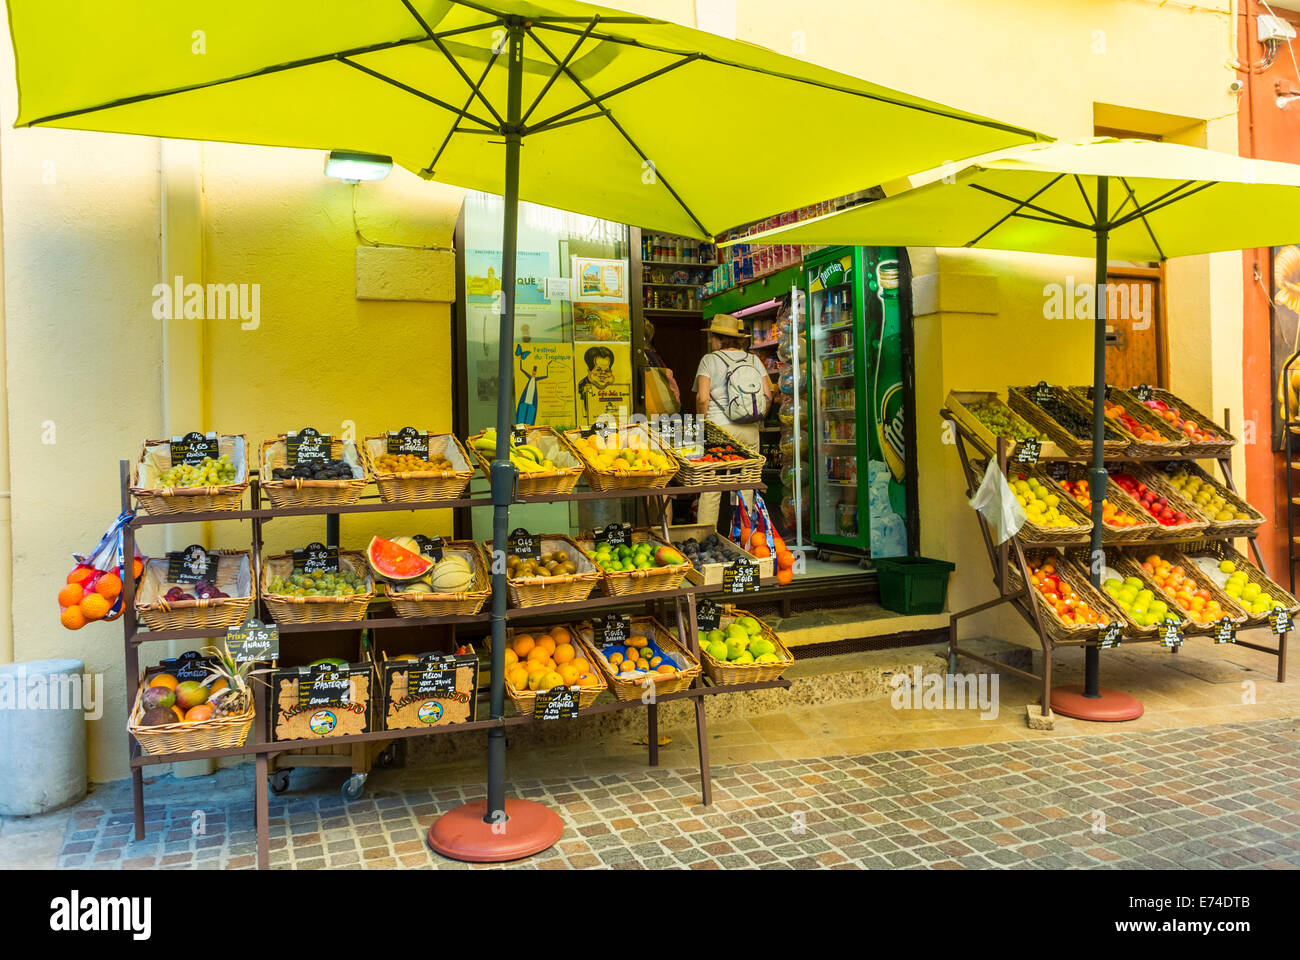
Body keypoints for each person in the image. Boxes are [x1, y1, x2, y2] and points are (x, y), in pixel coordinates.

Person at [693, 312, 772, 528]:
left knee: (712, 486)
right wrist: (754, 417)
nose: (710, 340)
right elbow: (768, 395)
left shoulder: (709, 360)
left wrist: (702, 426)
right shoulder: (754, 360)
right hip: (749, 430)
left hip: (719, 429)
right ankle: (745, 536)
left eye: (712, 336)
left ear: (719, 338)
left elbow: (702, 397)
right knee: (746, 483)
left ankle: (706, 535)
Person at [577, 345, 616, 423]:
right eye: (598, 370)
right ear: (589, 371)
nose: (602, 374)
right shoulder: (584, 386)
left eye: (607, 371)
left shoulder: (615, 385)